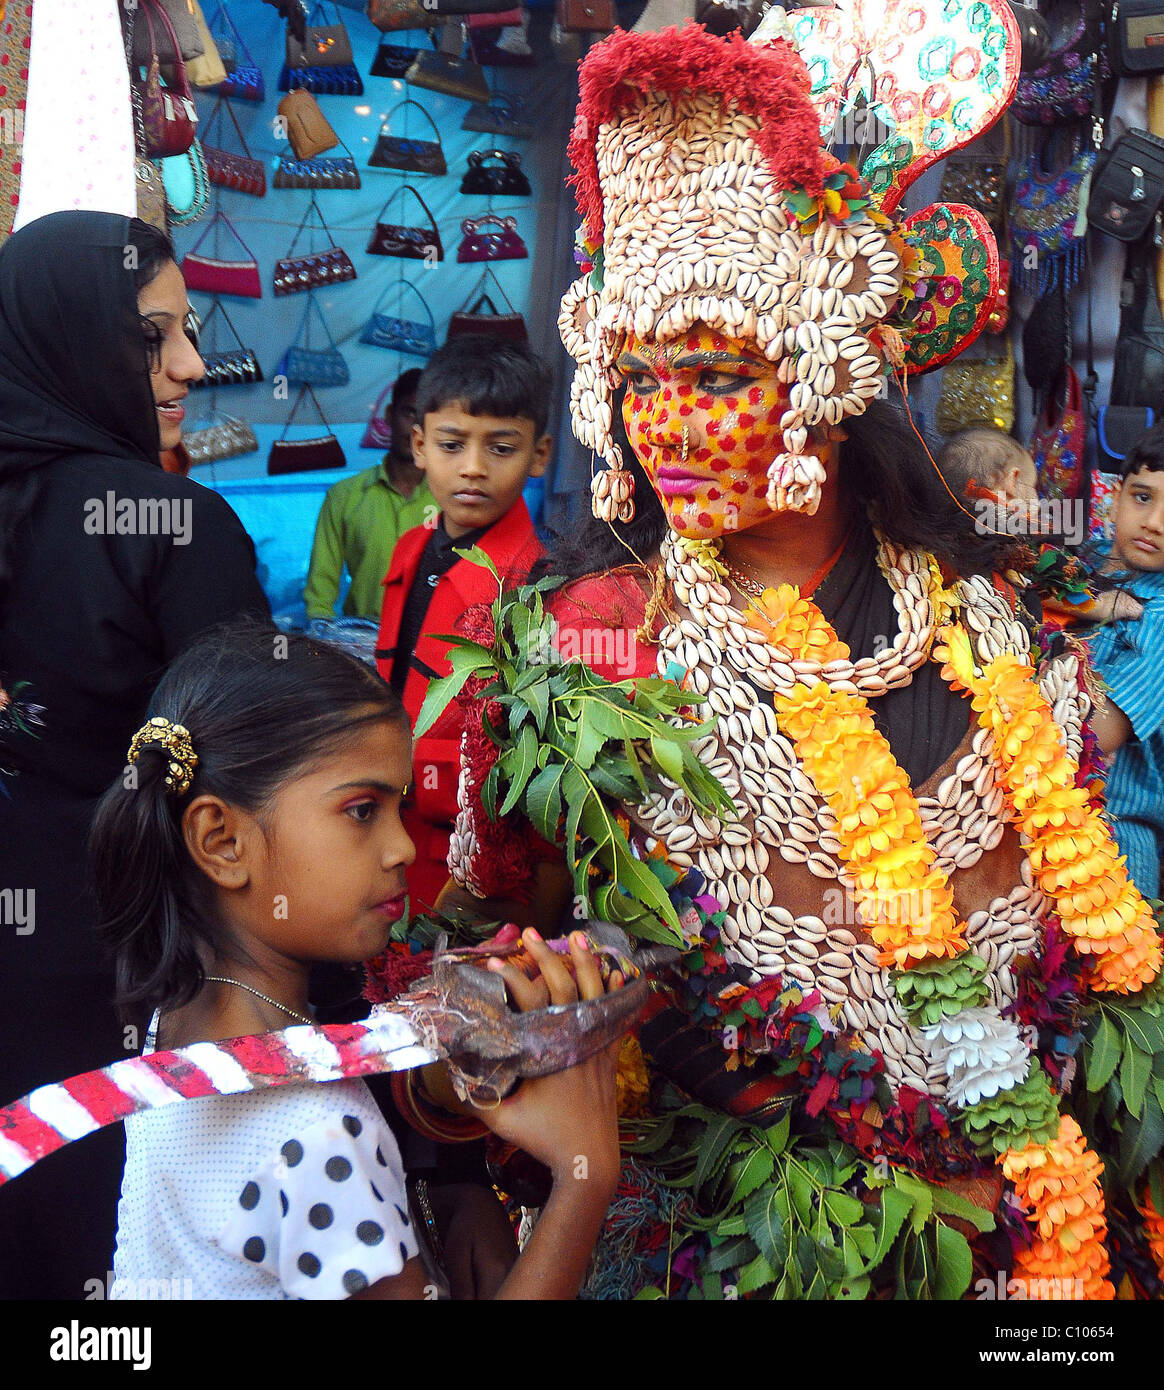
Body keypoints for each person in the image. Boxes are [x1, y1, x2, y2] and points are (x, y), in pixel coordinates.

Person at [433, 20, 1164, 1299]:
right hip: (733, 1254)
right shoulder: (592, 649)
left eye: (710, 371)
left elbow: (1085, 967)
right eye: (637, 378)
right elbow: (464, 982)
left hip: (1036, 1242)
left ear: (825, 374)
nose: (662, 419)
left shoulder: (995, 624)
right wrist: (509, 1016)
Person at [88, 621, 620, 1300]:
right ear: (222, 841)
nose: (401, 847)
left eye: (400, 807)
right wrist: (585, 1179)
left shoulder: (184, 1021)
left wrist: (436, 1205)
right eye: (362, 810)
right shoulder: (315, 1135)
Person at [0, 211, 270, 1300]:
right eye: (154, 336)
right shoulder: (172, 526)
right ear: (74, 340)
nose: (193, 367)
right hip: (118, 993)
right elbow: (253, 781)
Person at [374, 337, 550, 910]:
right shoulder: (410, 548)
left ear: (539, 456)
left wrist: (408, 772)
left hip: (467, 857)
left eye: (502, 448)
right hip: (386, 822)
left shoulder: (538, 586)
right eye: (452, 444)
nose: (473, 468)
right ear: (419, 445)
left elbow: (532, 752)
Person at [938, 426, 1143, 628]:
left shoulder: (942, 533)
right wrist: (1113, 603)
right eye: (1033, 487)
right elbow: (1053, 586)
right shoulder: (1008, 539)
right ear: (1013, 482)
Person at [1086, 427, 1164, 899]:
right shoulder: (1077, 567)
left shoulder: (1159, 617)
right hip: (1029, 815)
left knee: (1112, 969)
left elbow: (1093, 734)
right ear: (1114, 497)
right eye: (1141, 496)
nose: (1154, 521)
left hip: (1112, 841)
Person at [303, 368, 433, 621]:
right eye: (409, 413)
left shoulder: (454, 501)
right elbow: (320, 594)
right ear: (389, 415)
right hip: (361, 645)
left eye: (429, 420)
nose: (417, 430)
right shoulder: (343, 496)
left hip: (434, 648)